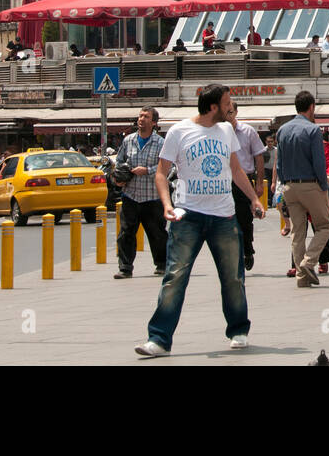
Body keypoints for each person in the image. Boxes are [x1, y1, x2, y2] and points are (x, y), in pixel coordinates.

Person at [134, 84, 263, 356]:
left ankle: (238, 329)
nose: (232, 107)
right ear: (214, 106)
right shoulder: (179, 132)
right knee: (174, 277)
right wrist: (167, 204)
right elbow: (161, 173)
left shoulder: (227, 130)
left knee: (233, 277)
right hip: (188, 215)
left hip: (224, 215)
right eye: (228, 102)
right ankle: (158, 339)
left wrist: (253, 198)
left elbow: (236, 169)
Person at [276, 90, 329, 287]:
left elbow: (279, 163)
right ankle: (308, 263)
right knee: (324, 226)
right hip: (310, 184)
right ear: (312, 107)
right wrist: (323, 187)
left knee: (297, 232)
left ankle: (301, 277)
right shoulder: (313, 130)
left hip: (289, 186)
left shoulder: (282, 130)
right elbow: (319, 162)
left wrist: (283, 183)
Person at [113, 107, 168, 279]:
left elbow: (168, 166)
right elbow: (120, 161)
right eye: (140, 116)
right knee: (126, 233)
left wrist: (148, 170)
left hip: (152, 196)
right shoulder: (129, 140)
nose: (141, 119)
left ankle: (162, 265)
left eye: (146, 117)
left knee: (157, 233)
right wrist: (120, 175)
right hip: (131, 195)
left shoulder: (160, 143)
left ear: (154, 123)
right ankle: (125, 268)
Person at [226, 105, 266, 271]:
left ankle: (248, 250)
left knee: (244, 219)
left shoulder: (248, 131)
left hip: (243, 180)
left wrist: (259, 182)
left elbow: (259, 157)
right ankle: (231, 254)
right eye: (225, 112)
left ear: (236, 112)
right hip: (224, 181)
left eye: (230, 112)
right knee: (226, 219)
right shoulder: (218, 131)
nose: (228, 115)